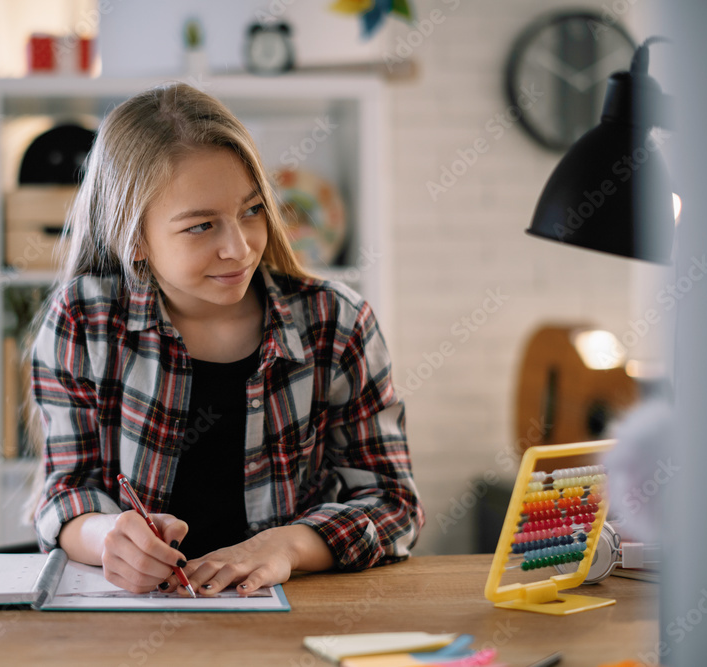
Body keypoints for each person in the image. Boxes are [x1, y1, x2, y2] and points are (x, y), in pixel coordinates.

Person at [26, 82, 423, 597]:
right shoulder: (85, 320)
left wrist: (285, 546)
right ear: (135, 238)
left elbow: (394, 504)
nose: (238, 248)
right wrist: (108, 539)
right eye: (201, 226)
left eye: (252, 210)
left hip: (296, 617)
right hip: (132, 621)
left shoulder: (337, 323)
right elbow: (64, 494)